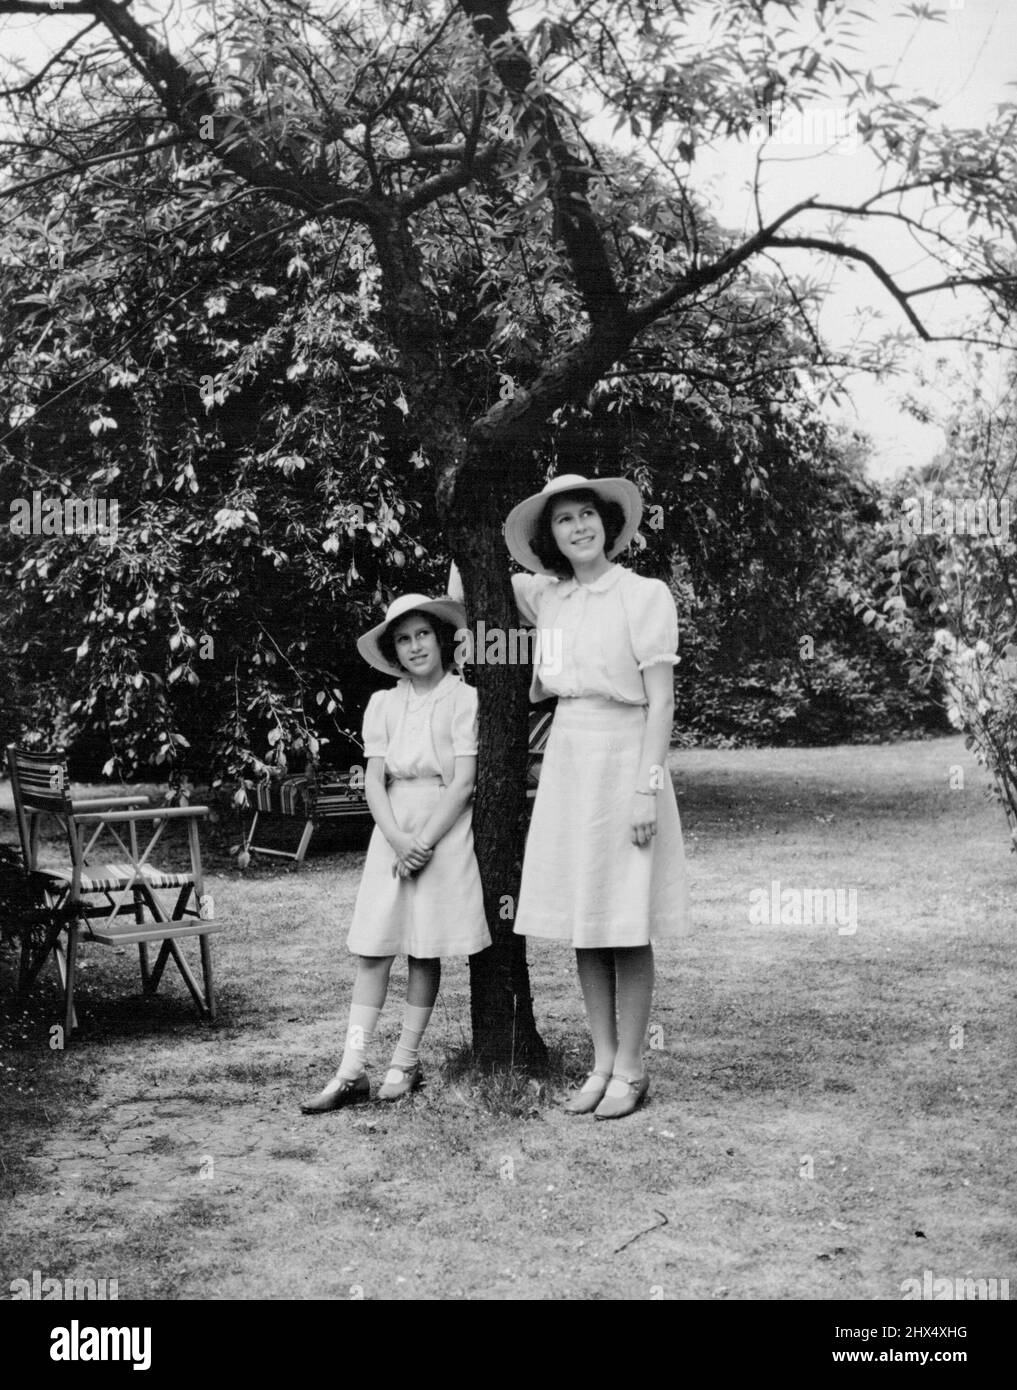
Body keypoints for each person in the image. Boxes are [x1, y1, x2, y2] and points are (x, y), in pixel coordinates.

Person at [453, 473, 688, 1119]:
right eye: (563, 520)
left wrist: (646, 789)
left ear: (607, 526)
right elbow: (463, 583)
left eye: (588, 515)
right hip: (569, 754)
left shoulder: (643, 595)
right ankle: (602, 1062)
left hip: (626, 753)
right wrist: (464, 510)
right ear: (549, 536)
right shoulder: (547, 598)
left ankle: (633, 1069)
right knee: (588, 921)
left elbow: (662, 700)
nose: (579, 526)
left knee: (626, 921)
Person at [300, 594, 491, 1112]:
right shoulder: (384, 703)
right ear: (394, 651)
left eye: (422, 635)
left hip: (442, 826)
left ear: (441, 639)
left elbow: (464, 782)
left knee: (424, 947)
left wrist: (424, 841)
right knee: (374, 947)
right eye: (403, 640)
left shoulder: (464, 698)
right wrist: (397, 838)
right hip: (392, 830)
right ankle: (350, 1069)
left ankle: (404, 1062)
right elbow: (374, 780)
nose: (414, 647)